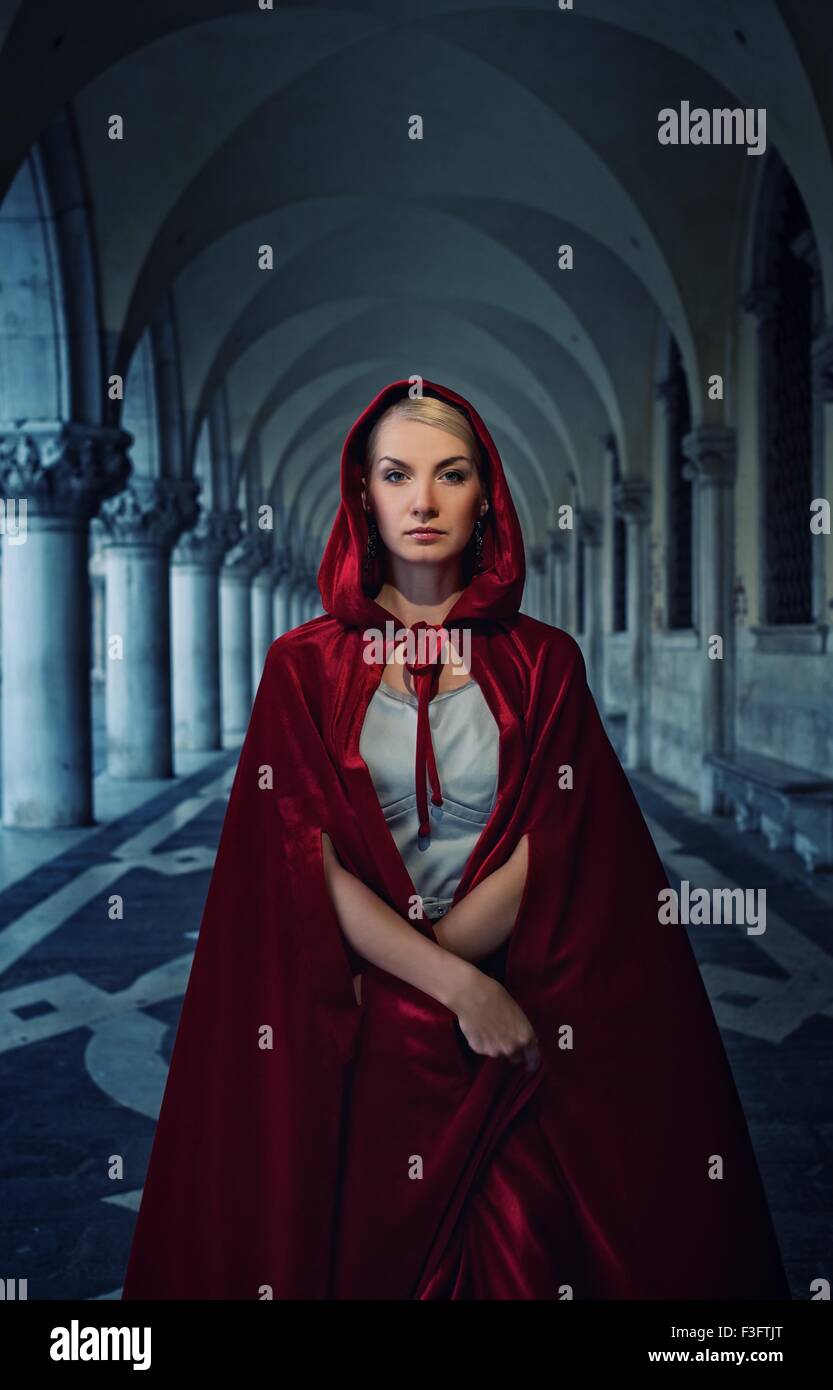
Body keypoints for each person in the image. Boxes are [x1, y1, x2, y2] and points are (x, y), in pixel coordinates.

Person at [122, 377, 791, 1301]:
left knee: (525, 1249)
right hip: (361, 1016)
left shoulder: (542, 661)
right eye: (397, 475)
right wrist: (451, 986)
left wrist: (468, 988)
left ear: (488, 496)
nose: (424, 501)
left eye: (452, 474)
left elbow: (557, 839)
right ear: (363, 494)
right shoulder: (301, 667)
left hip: (515, 1010)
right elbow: (300, 855)